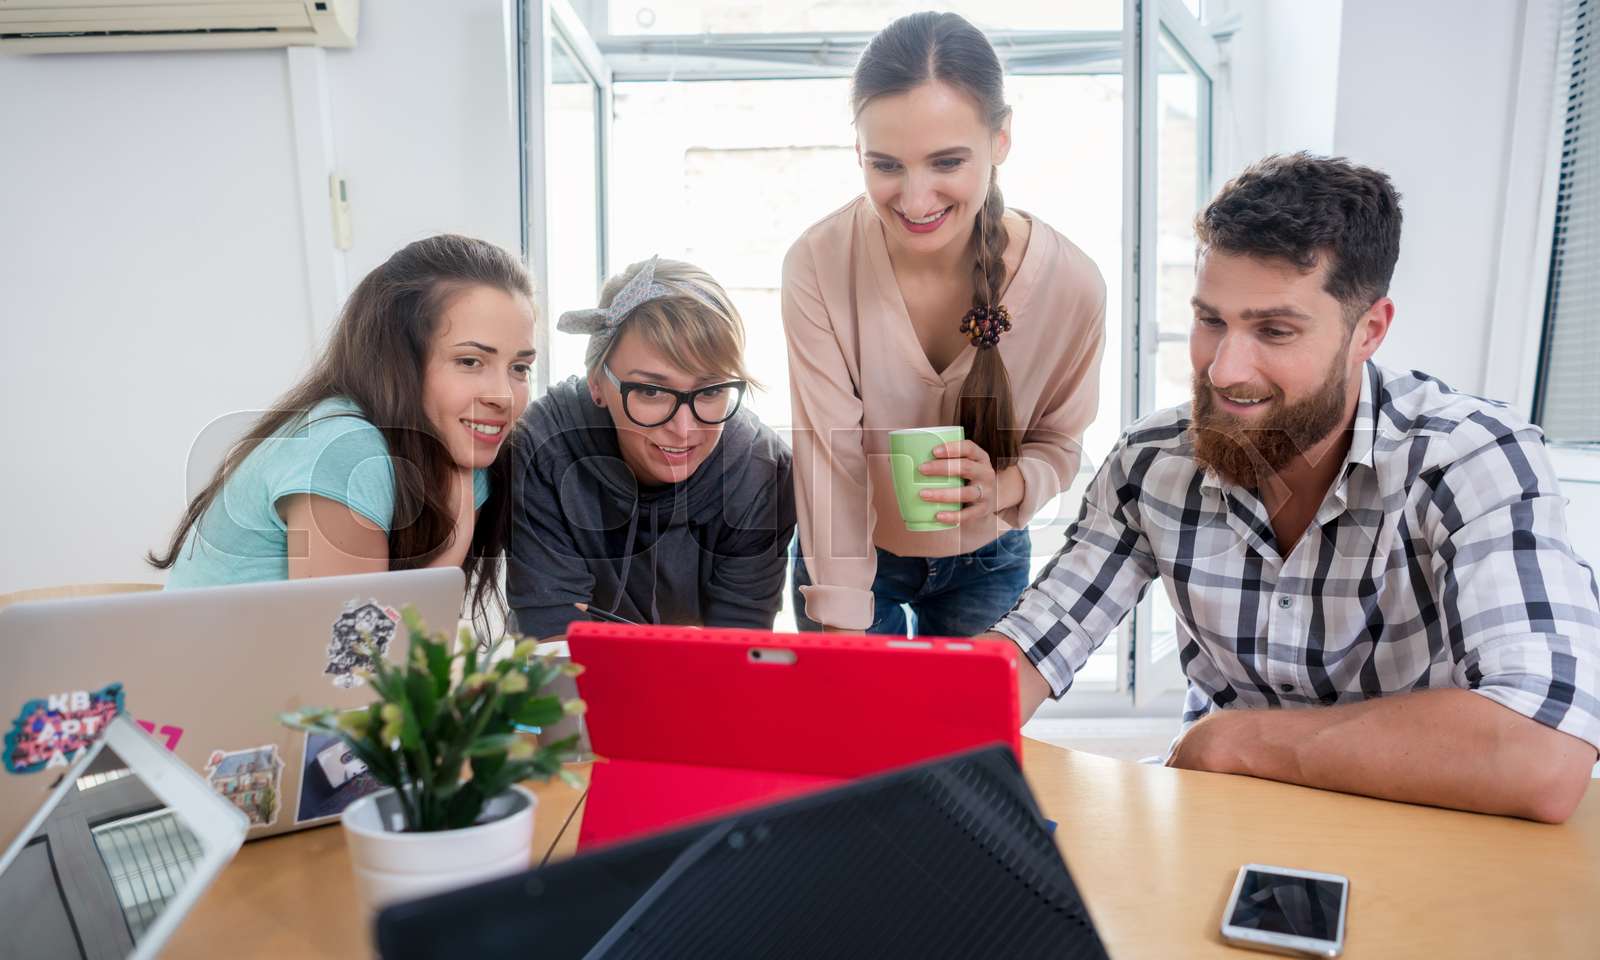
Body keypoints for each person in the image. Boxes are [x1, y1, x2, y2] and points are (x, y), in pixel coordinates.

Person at [991, 153, 1600, 823]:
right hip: (1222, 816)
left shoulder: (1471, 457)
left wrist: (1238, 740)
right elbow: (1033, 642)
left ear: (1368, 330)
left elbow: (1543, 753)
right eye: (1211, 321)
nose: (1224, 371)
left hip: (1425, 824)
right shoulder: (1151, 460)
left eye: (1274, 331)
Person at [783, 11, 1105, 636]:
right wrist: (844, 639)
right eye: (886, 165)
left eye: (947, 163)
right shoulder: (818, 263)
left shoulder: (1072, 286)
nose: (916, 198)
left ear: (1000, 139)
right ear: (858, 150)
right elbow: (831, 464)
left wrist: (1005, 487)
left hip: (989, 560)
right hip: (849, 555)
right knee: (856, 731)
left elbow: (1061, 446)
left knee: (966, 738)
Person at [150, 234, 536, 625]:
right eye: (470, 361)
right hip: (206, 681)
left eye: (519, 368)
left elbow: (399, 650)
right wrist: (454, 533)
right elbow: (351, 664)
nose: (504, 396)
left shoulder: (460, 452)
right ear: (399, 360)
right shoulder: (341, 448)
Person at [507, 257, 795, 639]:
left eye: (710, 391)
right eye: (651, 391)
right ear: (597, 382)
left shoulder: (761, 470)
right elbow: (552, 641)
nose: (684, 428)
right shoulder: (542, 446)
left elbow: (738, 649)